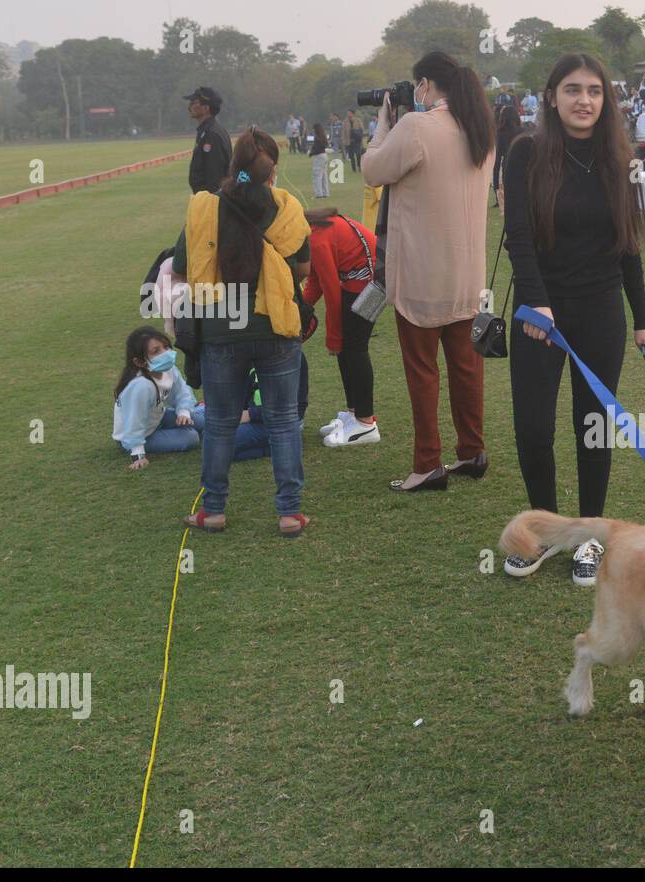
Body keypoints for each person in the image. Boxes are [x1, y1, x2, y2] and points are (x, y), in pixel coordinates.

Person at [501, 53, 645, 586]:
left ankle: (589, 535)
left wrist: (642, 319)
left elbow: (628, 245)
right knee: (532, 429)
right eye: (572, 89)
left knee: (592, 428)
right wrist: (536, 301)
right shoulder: (525, 154)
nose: (584, 100)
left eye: (594, 91)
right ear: (551, 97)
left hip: (600, 309)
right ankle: (543, 530)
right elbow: (518, 237)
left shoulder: (619, 158)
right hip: (539, 313)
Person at [363, 51, 495, 493]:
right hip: (466, 277)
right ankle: (472, 450)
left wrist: (384, 119)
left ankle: (427, 463)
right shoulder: (479, 130)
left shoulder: (416, 127)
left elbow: (371, 170)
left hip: (422, 276)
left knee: (422, 371)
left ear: (424, 85)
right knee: (466, 367)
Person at [172, 128, 312, 537]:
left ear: (233, 166)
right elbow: (303, 270)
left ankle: (212, 510)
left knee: (219, 422)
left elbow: (182, 266)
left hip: (221, 321)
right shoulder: (287, 207)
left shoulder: (204, 208)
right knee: (284, 421)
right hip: (276, 323)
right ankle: (289, 513)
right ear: (271, 169)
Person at [303, 208, 379, 447]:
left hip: (374, 284)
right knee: (349, 347)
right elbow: (316, 279)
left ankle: (366, 423)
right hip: (362, 279)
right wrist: (300, 309)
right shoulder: (314, 229)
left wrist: (333, 339)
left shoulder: (315, 240)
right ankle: (354, 412)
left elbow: (332, 293)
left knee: (354, 347)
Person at [113, 326, 199, 469]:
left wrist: (183, 411)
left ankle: (200, 412)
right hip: (136, 435)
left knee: (201, 420)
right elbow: (134, 421)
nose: (166, 353)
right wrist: (138, 454)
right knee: (191, 437)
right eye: (156, 351)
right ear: (140, 362)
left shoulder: (168, 369)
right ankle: (140, 446)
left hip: (158, 419)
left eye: (166, 347)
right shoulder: (141, 386)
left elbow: (181, 391)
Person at [184, 86, 232, 194]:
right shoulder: (208, 130)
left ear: (206, 108)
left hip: (211, 201)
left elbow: (215, 177)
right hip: (205, 198)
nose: (189, 107)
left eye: (193, 103)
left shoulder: (211, 134)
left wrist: (210, 203)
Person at [493, 103, 522, 205]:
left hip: (508, 167)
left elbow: (497, 160)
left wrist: (496, 183)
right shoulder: (523, 131)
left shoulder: (501, 134)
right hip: (524, 166)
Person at [310, 123, 330, 199]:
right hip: (324, 156)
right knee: (324, 175)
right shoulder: (323, 136)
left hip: (319, 157)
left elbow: (317, 149)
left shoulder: (317, 138)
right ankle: (325, 193)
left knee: (317, 175)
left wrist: (311, 153)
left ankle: (319, 194)